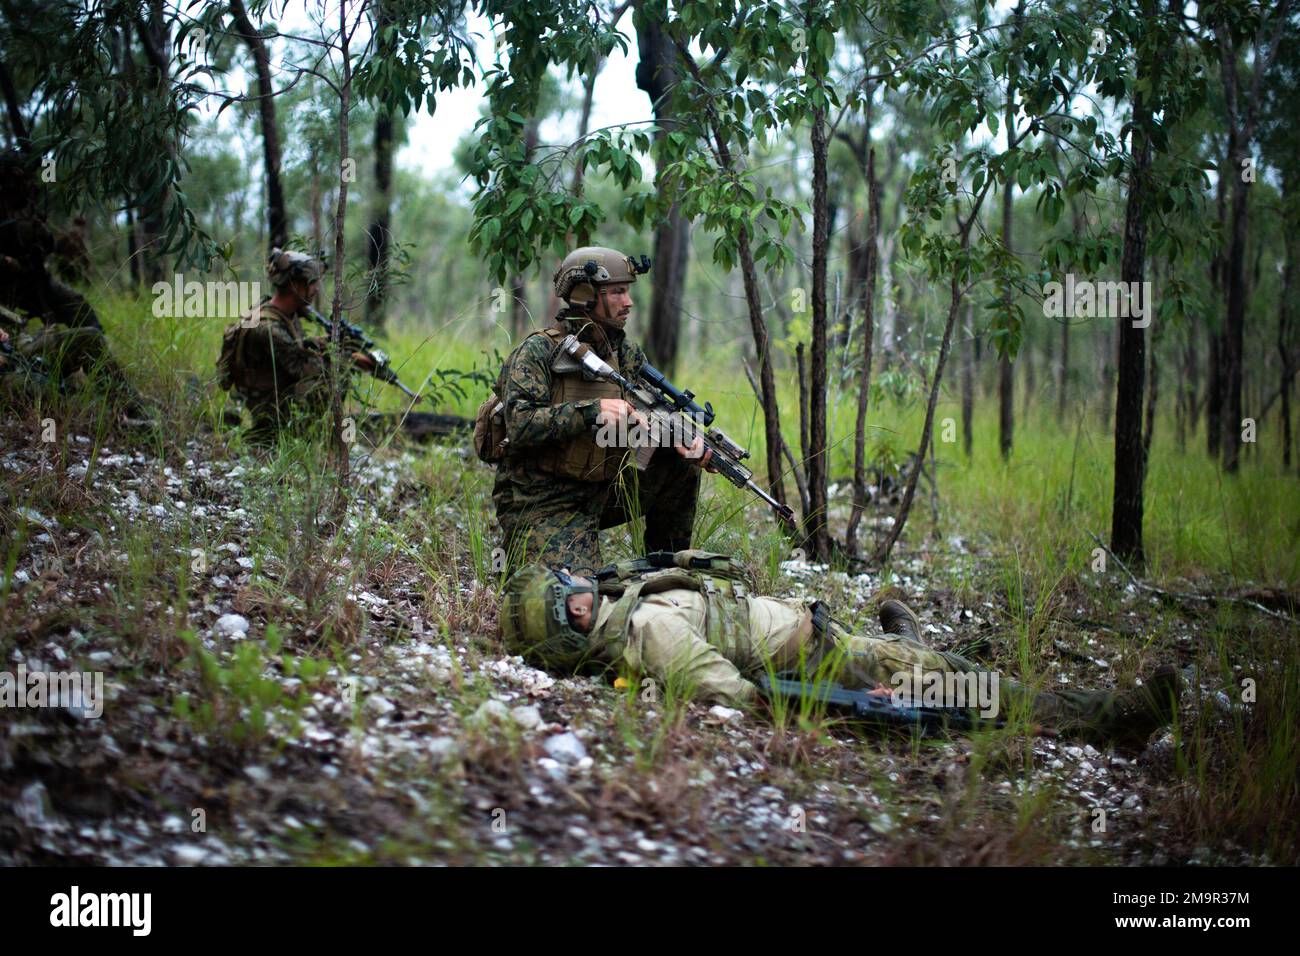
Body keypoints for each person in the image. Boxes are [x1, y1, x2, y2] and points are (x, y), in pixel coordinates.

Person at [499, 551, 1182, 745]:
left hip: (829, 643)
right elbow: (729, 691)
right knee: (974, 686)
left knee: (929, 663)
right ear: (575, 612)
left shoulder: (628, 613)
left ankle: (905, 642)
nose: (574, 577)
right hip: (834, 664)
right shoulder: (649, 631)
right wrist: (847, 706)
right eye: (566, 588)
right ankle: (1114, 717)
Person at [488, 246, 710, 575]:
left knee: (680, 459)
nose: (628, 302)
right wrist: (593, 410)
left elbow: (645, 419)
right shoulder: (537, 351)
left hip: (604, 490)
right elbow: (520, 425)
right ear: (584, 294)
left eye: (628, 292)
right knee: (578, 598)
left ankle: (667, 572)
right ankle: (531, 550)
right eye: (617, 292)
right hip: (543, 499)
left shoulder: (627, 354)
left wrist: (682, 439)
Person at [217, 248, 373, 444]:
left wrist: (324, 344)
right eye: (312, 282)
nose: (316, 288)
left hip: (265, 395)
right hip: (263, 407)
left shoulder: (280, 312)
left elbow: (295, 349)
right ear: (295, 286)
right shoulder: (268, 328)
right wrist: (351, 360)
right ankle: (269, 436)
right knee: (336, 375)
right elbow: (303, 367)